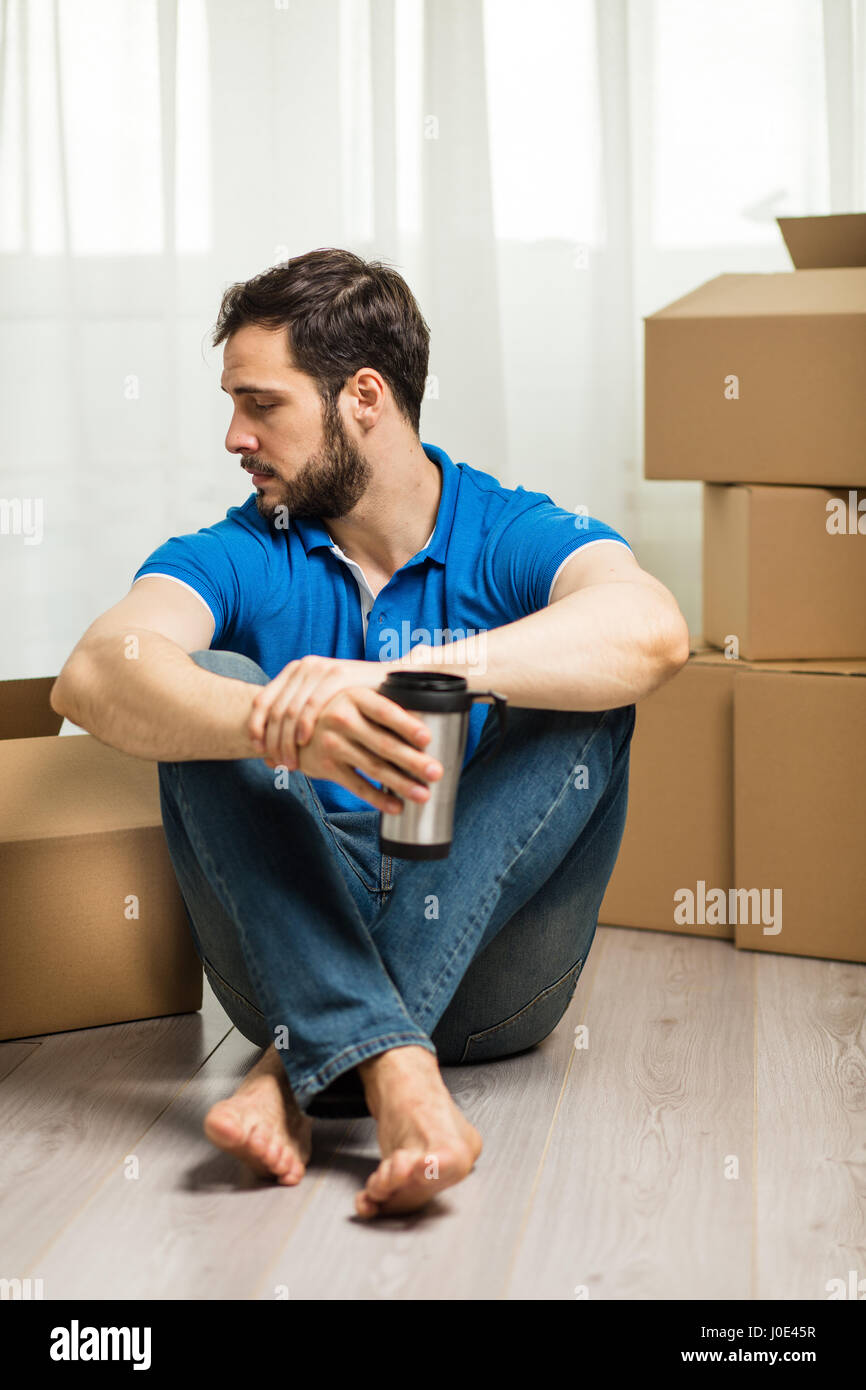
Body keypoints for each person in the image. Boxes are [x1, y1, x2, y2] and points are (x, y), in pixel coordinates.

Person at [51, 248, 689, 1219]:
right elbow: (96, 673)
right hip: (284, 945)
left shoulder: (507, 529)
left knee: (585, 694)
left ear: (362, 396)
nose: (234, 435)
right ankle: (394, 1073)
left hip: (486, 968)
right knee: (208, 685)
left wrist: (401, 680)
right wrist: (276, 726)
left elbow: (651, 631)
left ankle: (295, 1068)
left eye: (260, 404)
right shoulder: (240, 549)